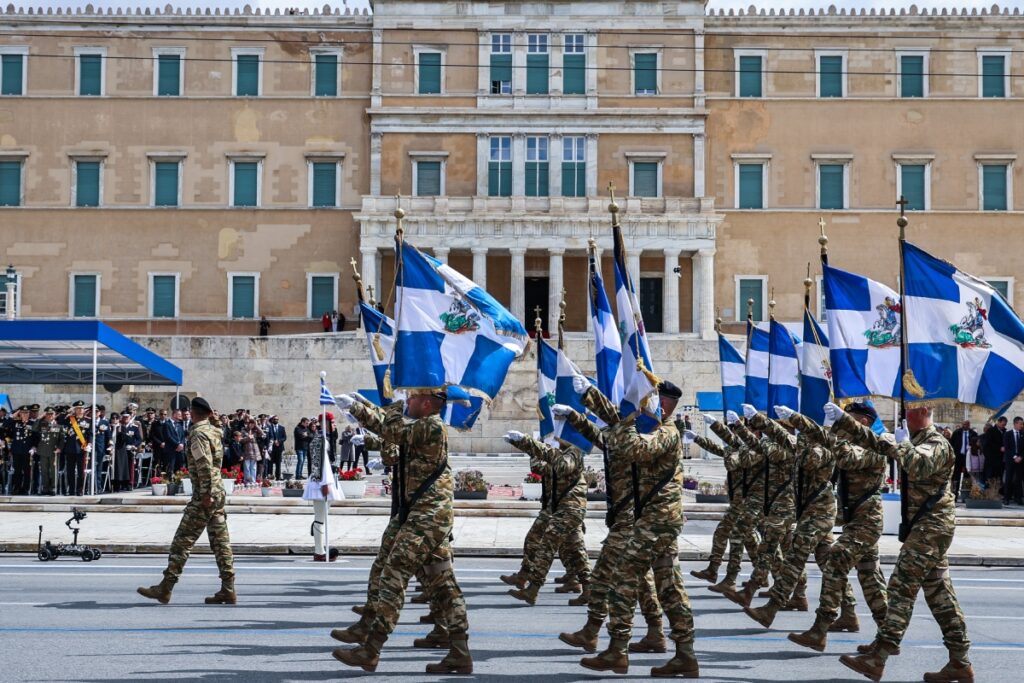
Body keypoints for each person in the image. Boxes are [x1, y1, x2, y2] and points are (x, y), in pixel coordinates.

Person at [331, 391, 472, 675]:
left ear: (428, 404)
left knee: (393, 573)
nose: (407, 402)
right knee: (442, 584)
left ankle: (371, 649)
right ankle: (459, 652)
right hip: (420, 513)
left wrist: (374, 407)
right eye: (406, 399)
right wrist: (366, 408)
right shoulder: (420, 426)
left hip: (428, 516)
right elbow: (393, 434)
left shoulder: (431, 425)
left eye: (412, 398)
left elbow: (392, 428)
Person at [833, 403, 972, 683]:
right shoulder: (914, 440)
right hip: (923, 527)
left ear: (924, 414)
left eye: (912, 412)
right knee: (940, 596)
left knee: (900, 586)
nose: (906, 416)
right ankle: (960, 661)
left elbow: (917, 465)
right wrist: (842, 423)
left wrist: (904, 443)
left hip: (932, 526)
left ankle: (879, 657)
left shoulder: (937, 443)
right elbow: (873, 441)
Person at [576, 379, 698, 678]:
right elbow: (616, 428)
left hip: (659, 520)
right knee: (670, 589)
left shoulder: (668, 433)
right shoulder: (653, 428)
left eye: (652, 399)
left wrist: (630, 417)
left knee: (623, 576)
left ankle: (618, 650)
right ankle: (685, 655)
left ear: (665, 405)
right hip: (655, 519)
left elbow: (635, 449)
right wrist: (590, 397)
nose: (646, 403)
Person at [556, 402, 665, 656]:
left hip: (629, 518)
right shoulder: (618, 439)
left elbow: (609, 433)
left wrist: (588, 399)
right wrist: (574, 416)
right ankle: (656, 632)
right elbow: (599, 436)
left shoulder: (633, 443)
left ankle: (592, 632)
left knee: (602, 576)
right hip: (626, 518)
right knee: (642, 581)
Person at [783, 402, 888, 652]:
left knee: (835, 562)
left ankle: (819, 630)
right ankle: (888, 636)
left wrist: (836, 428)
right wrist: (799, 420)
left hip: (867, 522)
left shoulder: (874, 446)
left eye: (847, 419)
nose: (843, 424)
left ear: (861, 422)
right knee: (870, 578)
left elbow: (845, 457)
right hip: (857, 521)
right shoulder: (855, 442)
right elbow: (828, 441)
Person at [137, 397, 235, 605]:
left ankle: (165, 588)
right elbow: (219, 432)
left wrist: (206, 493)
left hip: (205, 495)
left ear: (193, 412)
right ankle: (228, 588)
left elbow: (204, 465)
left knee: (182, 542)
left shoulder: (199, 434)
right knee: (221, 542)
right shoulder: (214, 430)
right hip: (218, 492)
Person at [503, 430, 590, 607]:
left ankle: (533, 589)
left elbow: (562, 466)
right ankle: (589, 590)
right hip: (560, 508)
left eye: (562, 432)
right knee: (576, 550)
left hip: (570, 508)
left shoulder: (575, 452)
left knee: (547, 545)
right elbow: (540, 468)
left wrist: (533, 444)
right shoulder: (562, 454)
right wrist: (527, 446)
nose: (558, 436)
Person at [304, 413, 343, 561]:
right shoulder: (321, 440)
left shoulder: (324, 439)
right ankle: (319, 552)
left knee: (322, 517)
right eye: (332, 422)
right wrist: (325, 483)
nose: (334, 425)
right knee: (320, 518)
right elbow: (320, 464)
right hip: (322, 482)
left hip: (326, 480)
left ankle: (320, 545)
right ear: (325, 423)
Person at [33, 407, 61, 496]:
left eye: (51, 414)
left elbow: (62, 439)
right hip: (43, 451)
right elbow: (34, 428)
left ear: (54, 415)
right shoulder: (42, 425)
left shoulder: (58, 426)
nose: (50, 416)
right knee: (44, 471)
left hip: (53, 451)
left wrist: (60, 448)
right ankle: (45, 489)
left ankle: (53, 489)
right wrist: (39, 418)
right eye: (48, 414)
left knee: (53, 471)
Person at [111, 413, 142, 492]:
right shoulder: (116, 427)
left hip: (129, 448)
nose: (125, 419)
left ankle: (129, 483)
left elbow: (139, 439)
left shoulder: (134, 427)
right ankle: (119, 484)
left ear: (130, 417)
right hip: (119, 449)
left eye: (127, 417)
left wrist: (134, 445)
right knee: (120, 468)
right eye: (124, 417)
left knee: (129, 467)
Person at [950, 420, 977, 502]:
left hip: (968, 457)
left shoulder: (973, 433)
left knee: (967, 476)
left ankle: (966, 495)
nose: (965, 426)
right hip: (958, 456)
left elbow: (976, 444)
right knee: (956, 476)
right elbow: (951, 444)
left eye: (967, 425)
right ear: (962, 424)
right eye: (964, 424)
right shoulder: (957, 433)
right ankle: (955, 494)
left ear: (969, 425)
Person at [1002, 416, 1024, 505]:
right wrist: (1015, 457)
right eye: (1020, 424)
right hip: (1010, 460)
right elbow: (1007, 448)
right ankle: (1006, 498)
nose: (1022, 426)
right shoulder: (1008, 434)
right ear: (1015, 423)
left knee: (1019, 479)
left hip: (1020, 461)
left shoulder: (1023, 434)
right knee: (1008, 479)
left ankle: (1018, 498)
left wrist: (1021, 457)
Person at [982, 417, 1007, 484]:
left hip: (1001, 460)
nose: (1003, 426)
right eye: (1002, 424)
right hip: (991, 459)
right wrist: (999, 448)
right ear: (998, 422)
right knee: (990, 478)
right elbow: (987, 444)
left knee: (999, 478)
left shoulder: (1004, 431)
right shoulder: (991, 431)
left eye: (1004, 425)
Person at [266, 415, 286, 480]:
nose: (275, 420)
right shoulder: (269, 427)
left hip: (279, 448)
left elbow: (284, 437)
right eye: (274, 419)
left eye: (277, 419)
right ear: (272, 420)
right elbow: (268, 436)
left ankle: (278, 476)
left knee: (278, 463)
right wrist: (272, 442)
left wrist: (279, 441)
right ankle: (270, 476)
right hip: (272, 448)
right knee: (270, 463)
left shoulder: (282, 428)